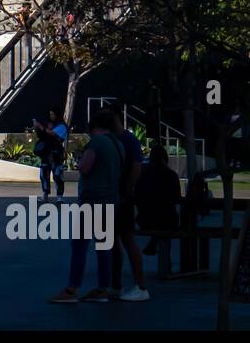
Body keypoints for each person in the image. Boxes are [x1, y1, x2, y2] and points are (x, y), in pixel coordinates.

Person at [50, 109, 123, 304]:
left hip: (92, 199)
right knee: (104, 246)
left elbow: (84, 167)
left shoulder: (97, 142)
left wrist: (82, 158)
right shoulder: (118, 144)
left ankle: (72, 288)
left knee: (80, 244)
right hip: (110, 199)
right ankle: (102, 289)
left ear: (94, 126)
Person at [110, 111, 149, 302]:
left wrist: (127, 189)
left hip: (122, 197)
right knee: (114, 241)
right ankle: (116, 284)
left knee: (127, 239)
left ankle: (140, 285)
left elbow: (136, 166)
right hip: (115, 196)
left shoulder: (128, 140)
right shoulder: (117, 139)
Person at [134, 144, 181, 256]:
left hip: (145, 220)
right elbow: (177, 199)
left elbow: (137, 197)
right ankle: (159, 250)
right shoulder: (171, 175)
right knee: (165, 221)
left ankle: (154, 242)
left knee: (160, 220)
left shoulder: (142, 174)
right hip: (167, 220)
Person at [32, 109, 68, 201]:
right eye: (50, 114)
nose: (51, 116)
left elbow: (52, 133)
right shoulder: (48, 124)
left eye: (53, 114)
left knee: (58, 174)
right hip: (45, 153)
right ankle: (45, 194)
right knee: (44, 175)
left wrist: (41, 126)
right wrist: (37, 127)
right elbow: (43, 135)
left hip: (56, 153)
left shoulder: (62, 126)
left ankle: (59, 196)